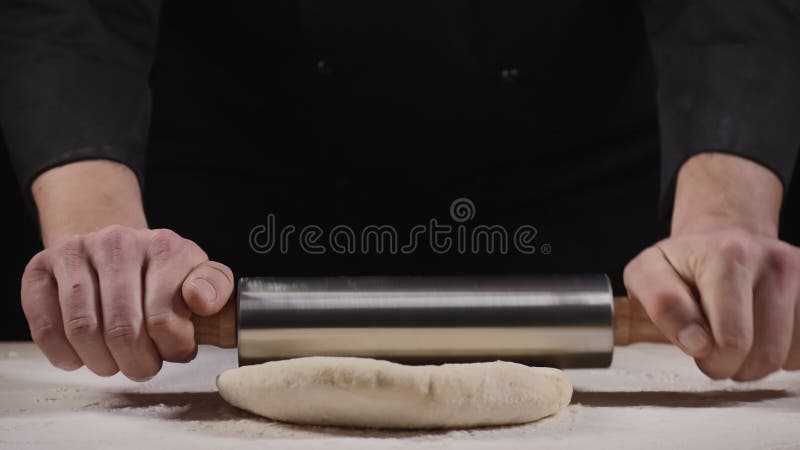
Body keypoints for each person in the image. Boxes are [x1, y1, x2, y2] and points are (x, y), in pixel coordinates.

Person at [1, 1, 799, 382]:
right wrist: (99, 232)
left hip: (582, 225)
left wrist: (723, 222)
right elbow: (73, 16)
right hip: (228, 253)